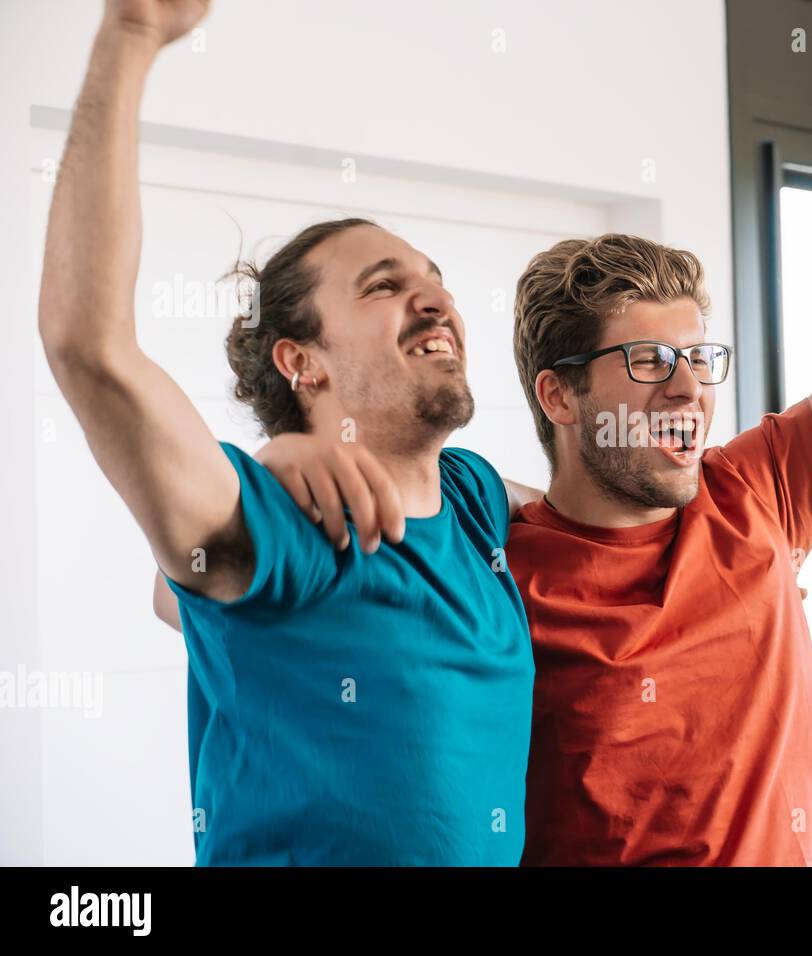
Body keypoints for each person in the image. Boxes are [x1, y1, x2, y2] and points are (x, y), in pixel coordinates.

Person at [155, 19, 812, 865]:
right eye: (645, 363)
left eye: (698, 356)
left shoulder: (759, 496)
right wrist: (284, 463)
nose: (688, 388)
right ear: (558, 393)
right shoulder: (495, 569)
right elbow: (194, 584)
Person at [41, 0, 534, 865]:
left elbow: (607, 521)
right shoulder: (282, 528)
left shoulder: (476, 502)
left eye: (437, 278)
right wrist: (131, 39)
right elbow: (92, 349)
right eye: (384, 285)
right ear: (302, 362)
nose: (436, 299)